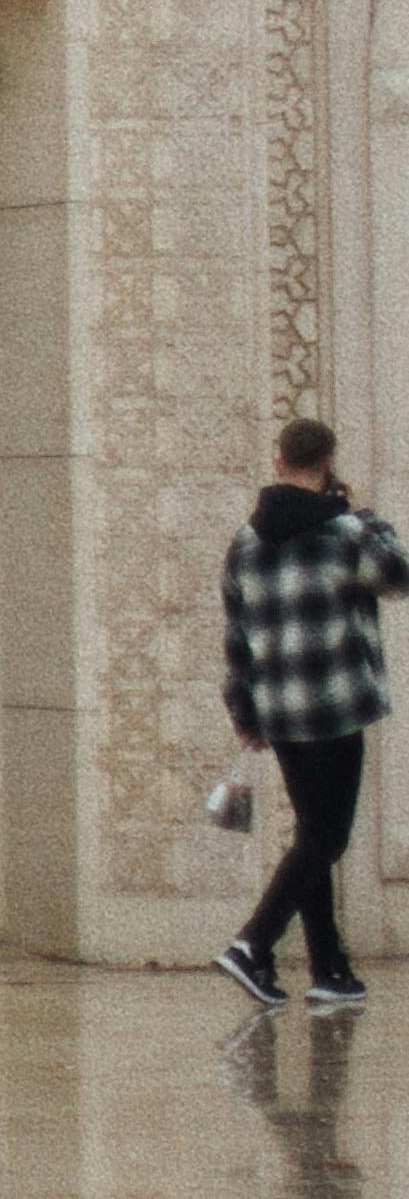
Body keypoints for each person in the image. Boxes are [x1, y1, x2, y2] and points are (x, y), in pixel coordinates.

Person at [217, 418, 409, 1017]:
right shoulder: (345, 532)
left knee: (311, 836)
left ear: (278, 464)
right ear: (326, 463)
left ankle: (331, 969)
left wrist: (244, 710)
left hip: (280, 710)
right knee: (326, 838)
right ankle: (252, 944)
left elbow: (237, 637)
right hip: (336, 703)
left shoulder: (246, 543)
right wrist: (369, 519)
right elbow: (399, 575)